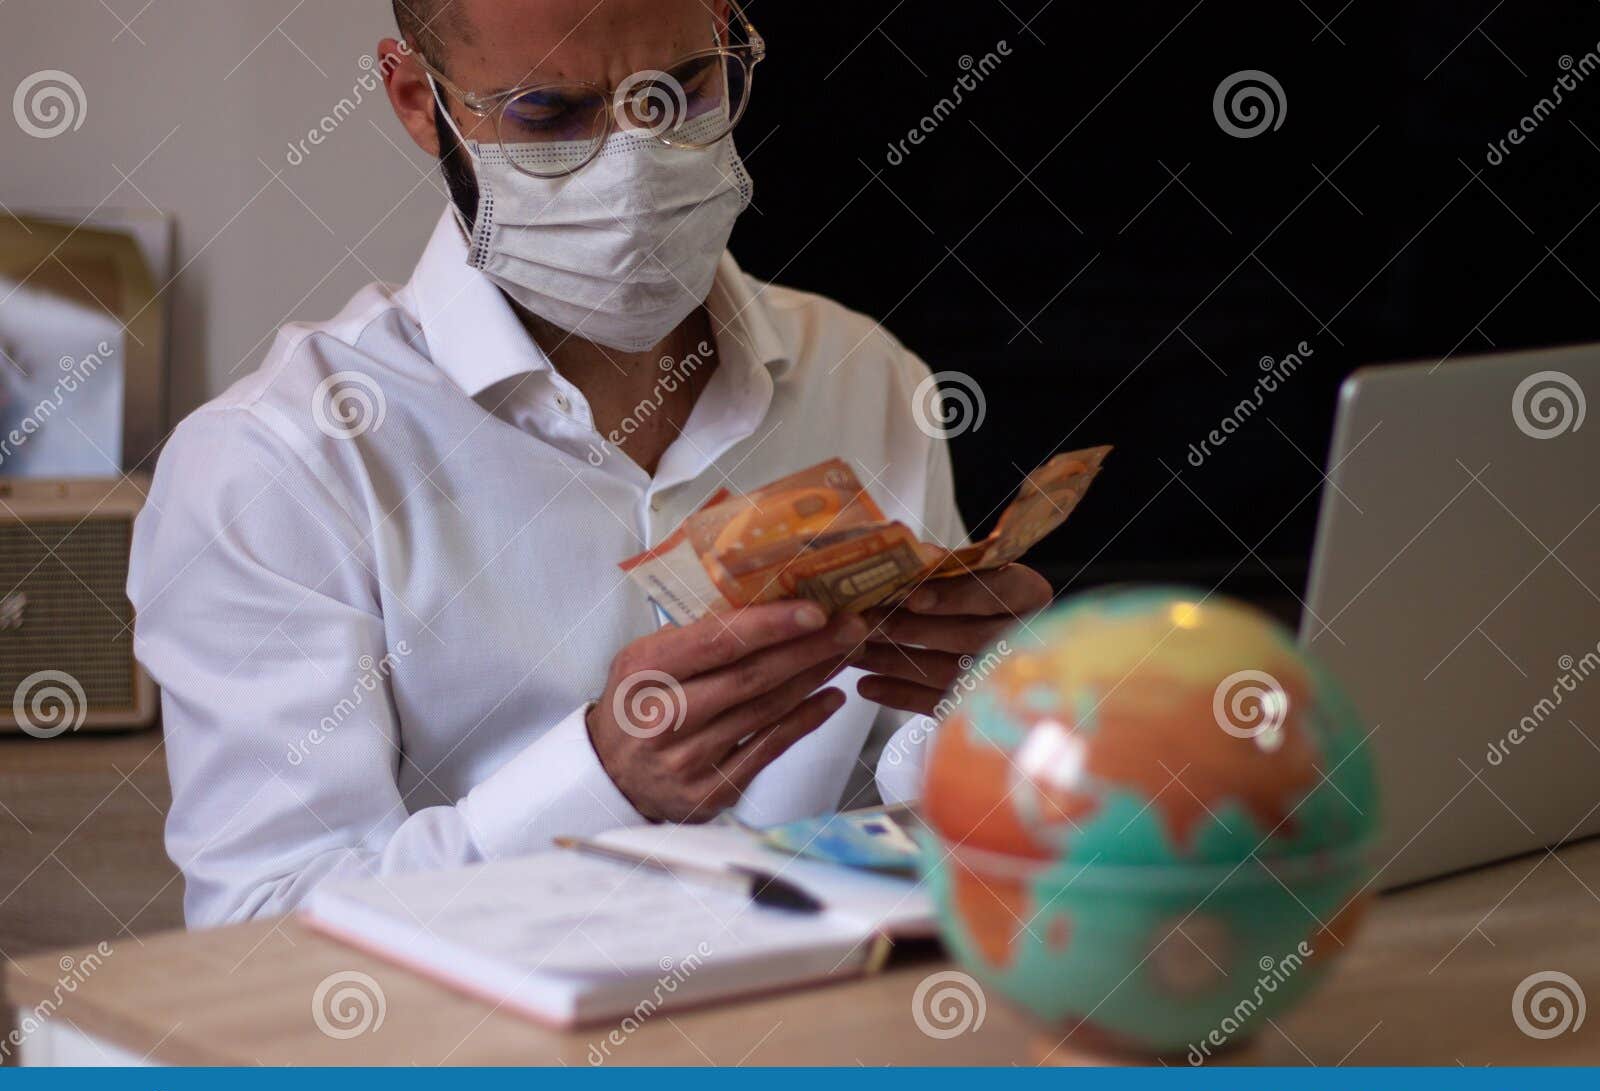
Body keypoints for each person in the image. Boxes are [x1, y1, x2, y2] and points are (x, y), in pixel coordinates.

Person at [128, 0, 1050, 927]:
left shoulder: (868, 376)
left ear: (730, 42)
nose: (634, 163)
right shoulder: (275, 466)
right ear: (418, 100)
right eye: (550, 114)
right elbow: (262, 931)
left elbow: (930, 808)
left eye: (679, 92)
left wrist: (999, 704)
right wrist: (602, 779)